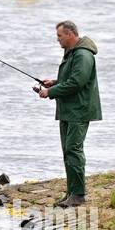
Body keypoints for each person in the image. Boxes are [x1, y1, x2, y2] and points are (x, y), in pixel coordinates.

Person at [35, 20, 101, 208]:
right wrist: (54, 83)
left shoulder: (82, 55)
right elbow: (70, 79)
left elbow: (77, 83)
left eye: (59, 36)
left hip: (79, 110)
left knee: (74, 150)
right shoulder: (72, 53)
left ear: (70, 35)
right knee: (68, 151)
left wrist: (51, 92)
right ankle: (71, 193)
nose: (58, 40)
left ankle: (78, 195)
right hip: (68, 110)